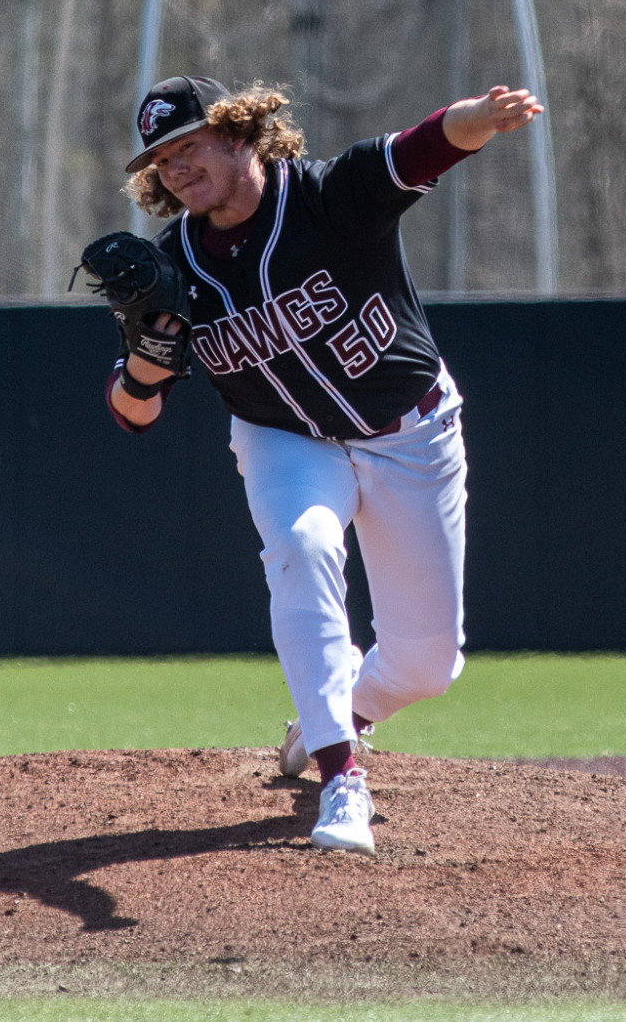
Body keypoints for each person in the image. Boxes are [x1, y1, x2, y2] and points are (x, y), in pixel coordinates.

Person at [104, 75, 543, 855]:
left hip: (411, 434)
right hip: (284, 440)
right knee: (303, 546)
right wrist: (146, 359)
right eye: (161, 158)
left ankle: (327, 720)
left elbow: (418, 150)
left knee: (426, 665)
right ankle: (342, 776)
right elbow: (135, 414)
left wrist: (482, 116)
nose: (174, 167)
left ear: (240, 135)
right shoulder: (177, 269)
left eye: (189, 145)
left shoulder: (325, 199)